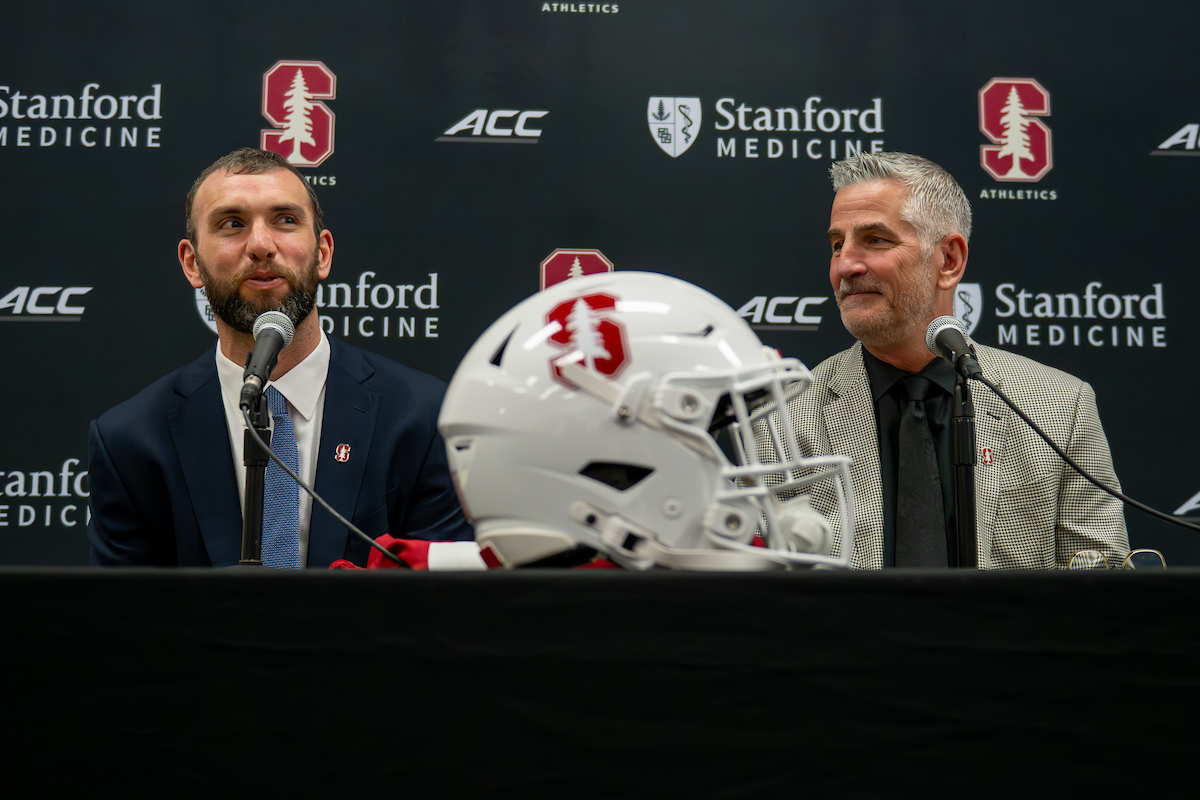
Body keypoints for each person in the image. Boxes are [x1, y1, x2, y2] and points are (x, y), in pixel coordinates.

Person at [87, 147, 472, 567]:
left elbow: (444, 611)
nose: (261, 245)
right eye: (232, 224)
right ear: (191, 263)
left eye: (285, 221)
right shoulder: (130, 440)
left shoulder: (423, 418)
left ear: (322, 253)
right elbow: (124, 623)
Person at [771, 151, 1128, 569]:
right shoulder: (784, 419)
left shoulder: (1061, 407)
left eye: (875, 240)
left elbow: (1102, 595)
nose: (845, 265)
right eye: (837, 244)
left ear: (948, 260)